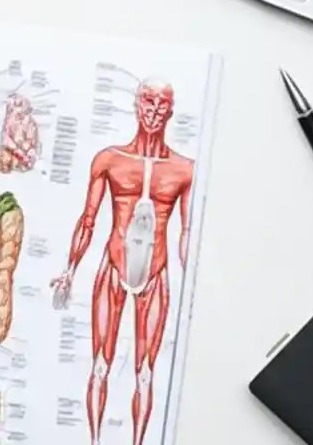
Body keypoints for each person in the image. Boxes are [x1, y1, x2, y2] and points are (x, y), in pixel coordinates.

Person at [49, 78, 194, 445]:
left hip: (156, 272)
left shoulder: (185, 169)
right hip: (113, 266)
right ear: (136, 104)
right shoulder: (109, 160)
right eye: (148, 101)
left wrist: (191, 278)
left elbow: (186, 231)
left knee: (146, 373)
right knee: (100, 366)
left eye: (162, 105)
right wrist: (70, 269)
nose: (154, 111)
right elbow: (88, 219)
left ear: (171, 112)